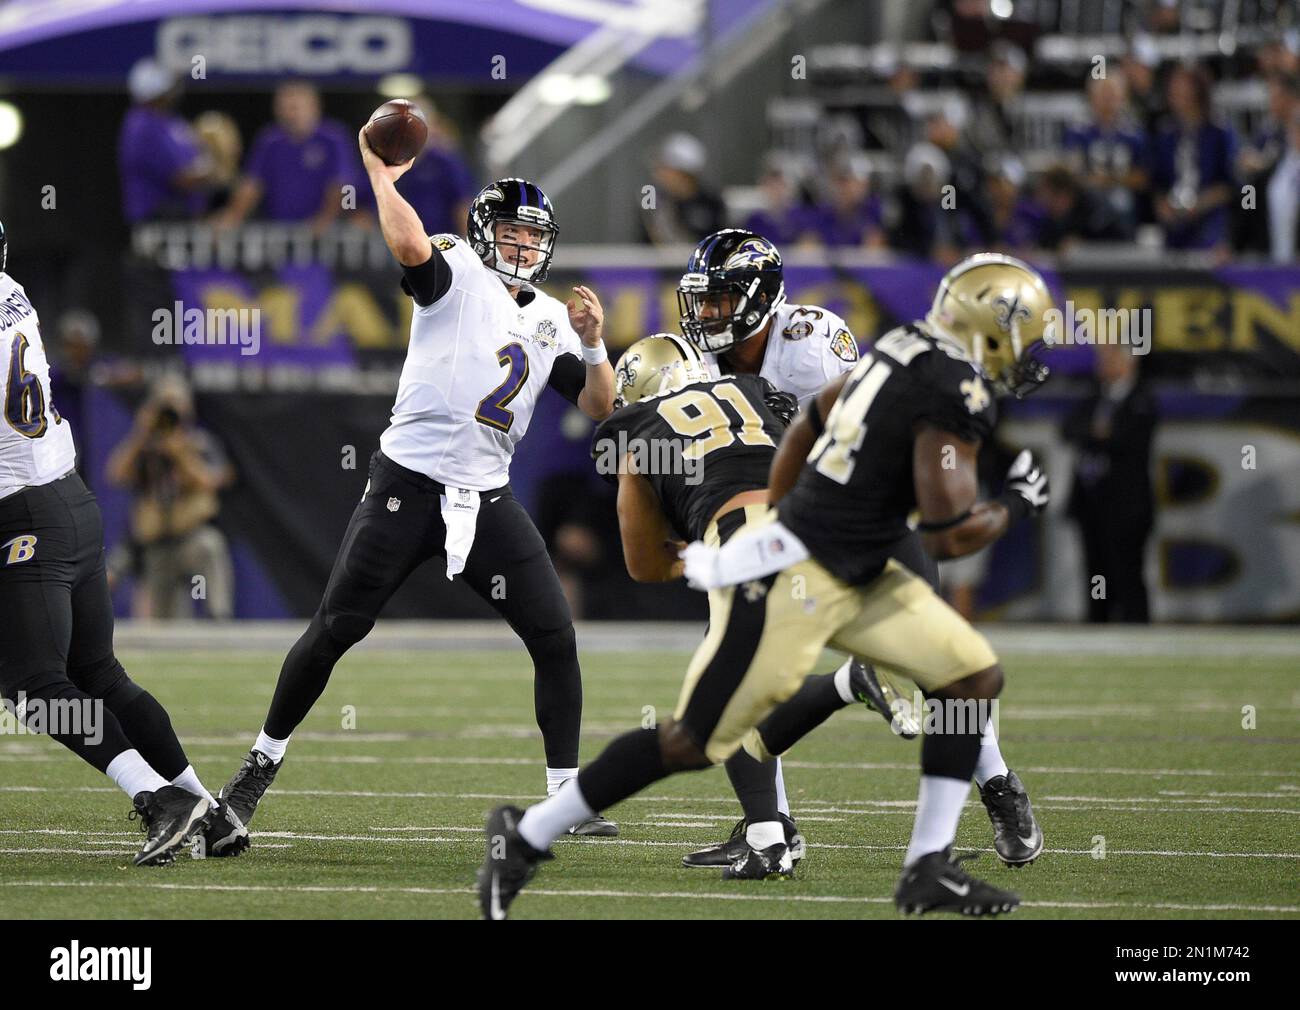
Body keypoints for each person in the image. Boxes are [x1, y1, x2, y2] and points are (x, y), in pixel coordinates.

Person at [479, 253, 1056, 918]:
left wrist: (718, 552)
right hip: (821, 539)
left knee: (962, 674)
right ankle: (526, 835)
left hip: (792, 548)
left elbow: (644, 565)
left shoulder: (645, 431)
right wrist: (1017, 500)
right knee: (700, 739)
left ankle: (920, 864)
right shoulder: (762, 390)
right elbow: (898, 495)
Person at [217, 133, 618, 837]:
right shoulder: (456, 268)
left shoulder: (553, 317)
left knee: (555, 634)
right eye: (512, 233)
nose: (523, 247)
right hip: (408, 486)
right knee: (336, 628)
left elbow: (598, 406)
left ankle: (567, 799)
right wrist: (379, 176)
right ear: (482, 232)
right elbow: (408, 248)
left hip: (488, 498)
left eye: (534, 236)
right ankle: (256, 769)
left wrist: (593, 342)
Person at [0, 220, 245, 865]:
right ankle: (207, 808)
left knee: (32, 682)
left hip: (26, 515)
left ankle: (158, 799)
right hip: (70, 499)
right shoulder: (12, 291)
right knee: (98, 673)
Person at [106, 376, 236, 620]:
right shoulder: (145, 447)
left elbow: (210, 482)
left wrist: (180, 454)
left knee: (211, 545)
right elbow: (115, 475)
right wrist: (140, 435)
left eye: (175, 404)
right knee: (162, 621)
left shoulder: (199, 443)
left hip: (191, 537)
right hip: (156, 544)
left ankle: (220, 618)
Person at [1062, 343, 1157, 623]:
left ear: (1129, 363)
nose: (1102, 364)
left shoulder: (1141, 399)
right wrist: (1098, 434)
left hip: (1127, 504)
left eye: (1110, 358)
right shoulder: (1095, 397)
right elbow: (1067, 429)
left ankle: (1136, 630)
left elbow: (1124, 440)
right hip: (1091, 501)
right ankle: (1097, 625)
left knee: (1127, 571)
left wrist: (1097, 434)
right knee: (1096, 571)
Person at [216, 81, 352, 232]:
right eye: (284, 108)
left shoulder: (333, 138)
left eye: (295, 107)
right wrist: (234, 215)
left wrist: (326, 218)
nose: (289, 114)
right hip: (279, 231)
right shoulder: (270, 141)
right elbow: (252, 184)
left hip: (324, 234)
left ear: (314, 107)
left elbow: (343, 184)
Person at [117, 59, 216, 224]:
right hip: (158, 219)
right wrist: (214, 171)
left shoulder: (169, 120)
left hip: (183, 217)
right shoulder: (142, 126)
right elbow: (181, 178)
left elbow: (197, 153)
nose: (174, 89)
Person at [1151, 64, 1236, 251]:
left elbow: (1230, 184)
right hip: (1174, 219)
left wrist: (1198, 206)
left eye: (1182, 88)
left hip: (1209, 214)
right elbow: (1158, 182)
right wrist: (1163, 206)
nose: (1175, 93)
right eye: (1173, 88)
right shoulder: (1165, 132)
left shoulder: (1219, 132)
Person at [641, 133, 727, 246]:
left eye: (666, 168)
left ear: (684, 174)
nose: (660, 173)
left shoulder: (710, 201)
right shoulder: (653, 199)